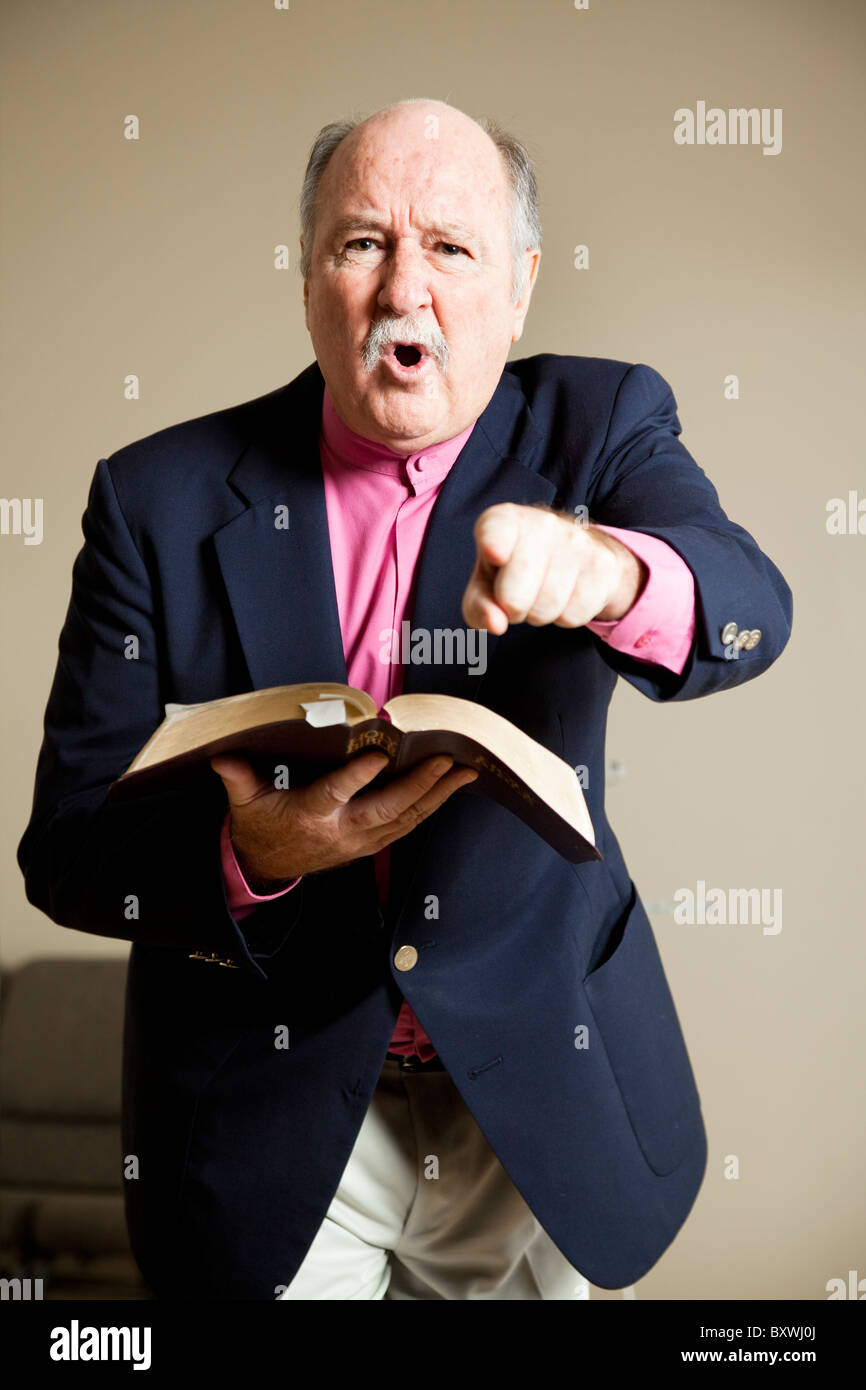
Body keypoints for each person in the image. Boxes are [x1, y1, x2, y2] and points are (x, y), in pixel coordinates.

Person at [17, 97, 792, 1300]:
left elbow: (751, 608)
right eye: (361, 243)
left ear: (520, 284)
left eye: (449, 246)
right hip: (268, 1113)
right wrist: (247, 855)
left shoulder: (603, 423)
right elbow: (68, 848)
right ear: (310, 274)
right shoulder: (151, 498)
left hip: (539, 1097)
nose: (401, 290)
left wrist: (610, 571)